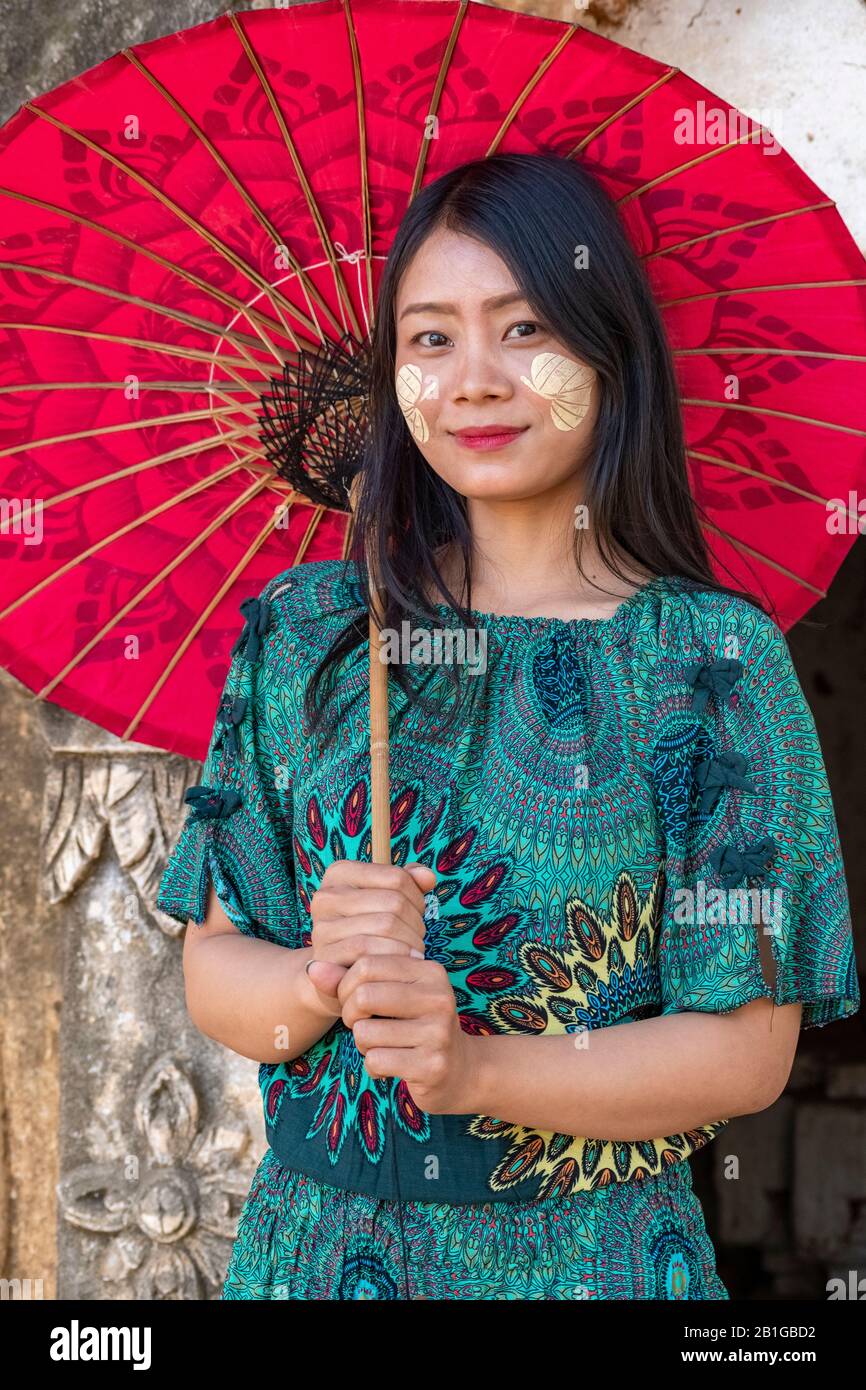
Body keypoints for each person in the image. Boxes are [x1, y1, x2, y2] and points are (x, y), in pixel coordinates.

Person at [156, 153, 860, 1300]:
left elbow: (744, 1049)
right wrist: (320, 977)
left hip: (589, 1262)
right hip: (316, 1259)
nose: (472, 380)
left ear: (605, 349)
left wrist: (476, 1067)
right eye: (428, 339)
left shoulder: (707, 662)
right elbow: (217, 968)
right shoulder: (309, 633)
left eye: (522, 328)